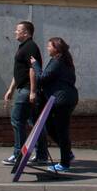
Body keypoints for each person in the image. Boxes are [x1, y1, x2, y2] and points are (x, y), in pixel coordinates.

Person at [2, 21, 46, 168]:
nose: (15, 32)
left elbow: (33, 69)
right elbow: (19, 71)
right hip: (24, 89)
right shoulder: (24, 47)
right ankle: (41, 156)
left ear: (26, 33)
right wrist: (11, 89)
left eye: (18, 30)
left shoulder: (30, 47)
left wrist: (32, 91)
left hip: (27, 90)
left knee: (17, 120)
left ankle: (18, 155)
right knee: (34, 123)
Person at [36, 37, 78, 173]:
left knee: (61, 131)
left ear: (56, 48)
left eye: (49, 46)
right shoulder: (64, 61)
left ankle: (65, 163)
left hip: (62, 100)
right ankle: (67, 153)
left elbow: (42, 78)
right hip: (66, 98)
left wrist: (35, 65)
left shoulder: (57, 61)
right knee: (50, 126)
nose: (47, 48)